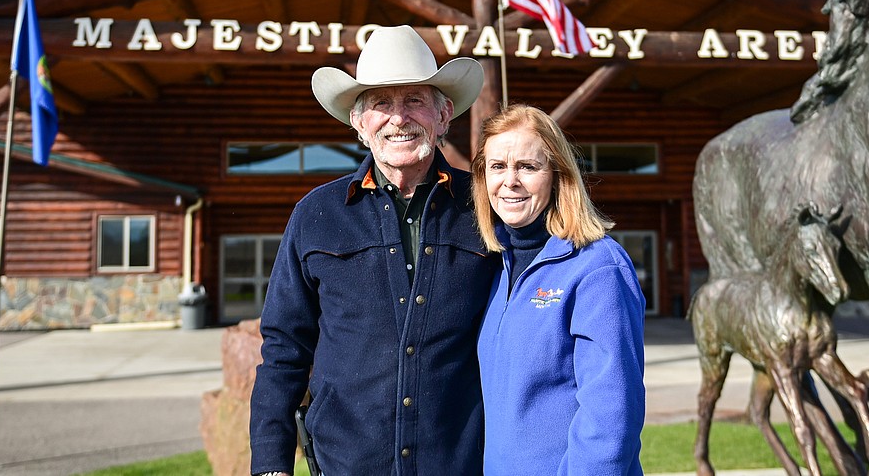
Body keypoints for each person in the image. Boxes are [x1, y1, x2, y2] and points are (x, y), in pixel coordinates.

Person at [249, 25, 498, 476]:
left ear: (444, 117)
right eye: (382, 103)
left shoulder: (485, 206)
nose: (398, 118)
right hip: (345, 463)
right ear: (360, 125)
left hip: (461, 462)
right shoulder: (315, 215)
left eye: (415, 101)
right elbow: (284, 348)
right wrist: (271, 463)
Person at [472, 104, 646, 475]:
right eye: (497, 166)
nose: (510, 180)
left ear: (557, 174)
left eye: (528, 167)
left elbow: (611, 416)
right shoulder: (493, 267)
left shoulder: (597, 267)